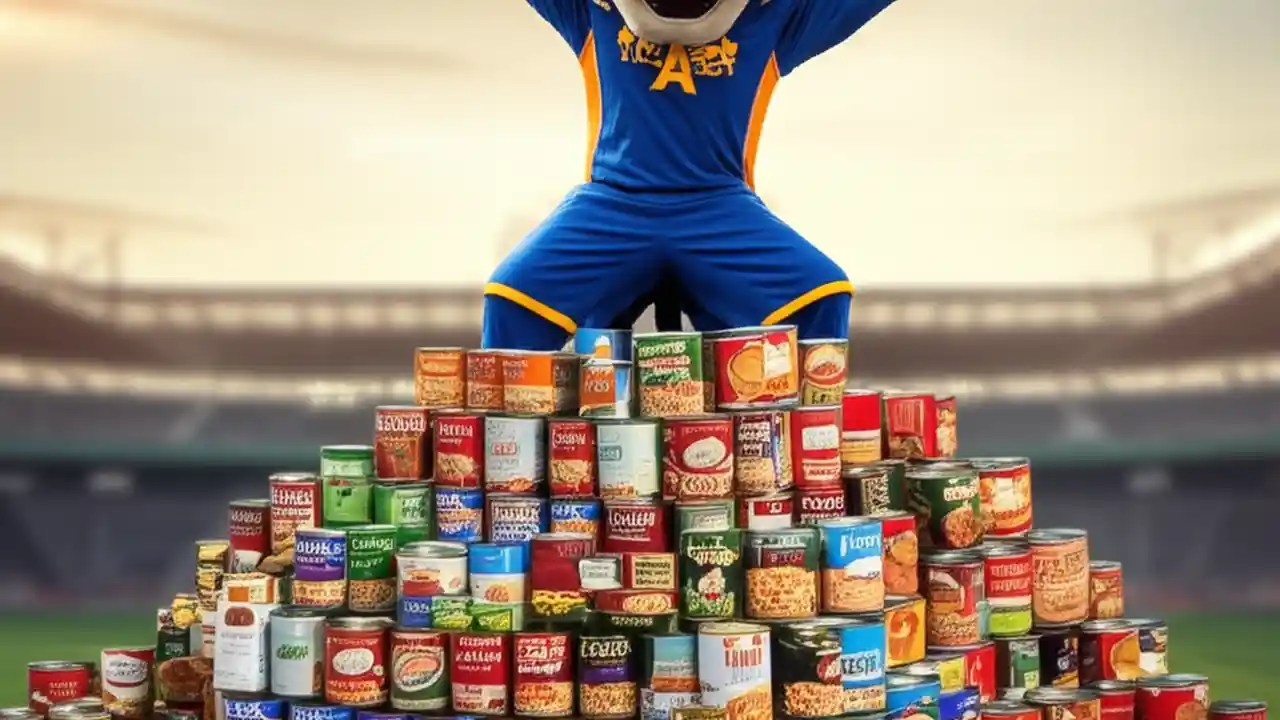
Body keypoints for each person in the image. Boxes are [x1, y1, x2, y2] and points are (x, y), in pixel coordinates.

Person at [482, 0, 899, 350]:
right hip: (613, 204)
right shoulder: (594, 10)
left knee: (820, 293)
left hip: (718, 206)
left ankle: (808, 420)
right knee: (512, 295)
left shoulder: (773, 15)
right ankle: (510, 420)